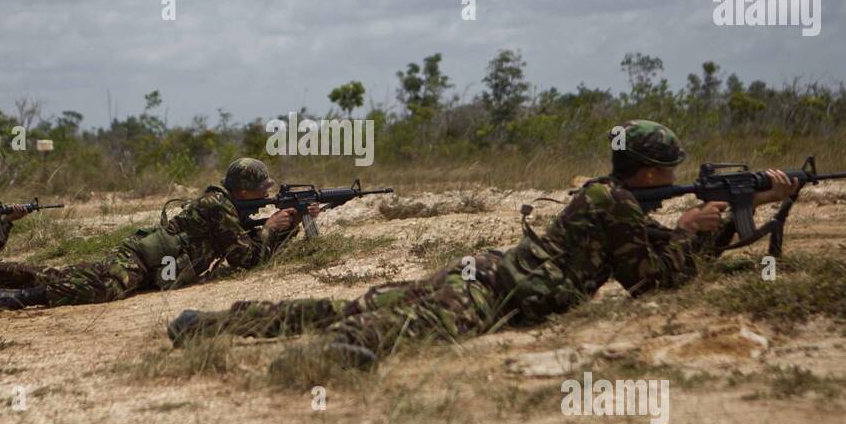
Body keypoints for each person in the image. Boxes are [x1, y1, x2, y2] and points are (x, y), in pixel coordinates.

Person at [166, 121, 801, 369]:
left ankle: (213, 325)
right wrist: (709, 230)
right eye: (670, 171)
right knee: (394, 326)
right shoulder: (611, 205)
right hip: (504, 292)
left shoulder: (605, 199)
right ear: (652, 172)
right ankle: (318, 361)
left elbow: (647, 255)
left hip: (489, 276)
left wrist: (704, 226)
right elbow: (653, 280)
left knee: (355, 304)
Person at [0, 158, 318, 311]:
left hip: (152, 264)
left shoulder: (228, 207)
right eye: (262, 190)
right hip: (143, 259)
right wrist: (271, 227)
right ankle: (9, 298)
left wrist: (291, 224)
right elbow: (246, 258)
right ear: (245, 190)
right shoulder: (218, 206)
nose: (267, 195)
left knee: (61, 276)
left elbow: (252, 252)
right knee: (103, 288)